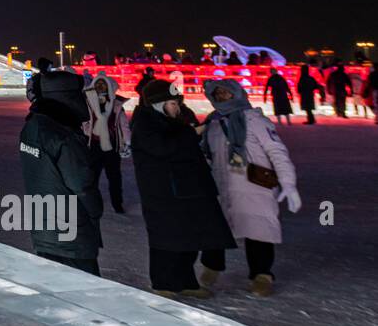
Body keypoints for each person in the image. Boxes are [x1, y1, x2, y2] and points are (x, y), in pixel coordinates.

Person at [130, 79, 235, 298]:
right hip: (164, 193)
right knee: (166, 240)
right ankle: (164, 283)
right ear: (158, 104)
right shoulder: (145, 123)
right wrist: (191, 133)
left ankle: (187, 281)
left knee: (189, 237)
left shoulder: (173, 121)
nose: (177, 108)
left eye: (177, 103)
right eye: (172, 103)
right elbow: (162, 148)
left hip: (186, 189)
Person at [200, 79, 302, 296]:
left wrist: (288, 183)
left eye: (226, 94)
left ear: (237, 94)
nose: (221, 98)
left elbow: (277, 151)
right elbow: (207, 154)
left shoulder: (254, 120)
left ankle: (261, 274)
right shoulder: (213, 122)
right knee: (215, 228)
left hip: (254, 187)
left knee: (258, 231)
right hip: (222, 186)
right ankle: (211, 267)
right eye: (217, 95)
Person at [18, 70, 102, 275]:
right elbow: (82, 184)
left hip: (43, 227)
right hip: (72, 231)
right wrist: (95, 210)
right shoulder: (62, 136)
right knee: (86, 295)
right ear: (67, 96)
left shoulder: (33, 126)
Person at [84, 71, 131, 214]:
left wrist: (127, 141)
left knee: (115, 177)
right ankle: (91, 202)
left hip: (111, 145)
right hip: (94, 145)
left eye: (103, 85)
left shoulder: (116, 104)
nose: (100, 87)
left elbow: (123, 124)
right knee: (92, 177)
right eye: (98, 84)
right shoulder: (88, 103)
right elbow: (84, 123)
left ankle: (117, 203)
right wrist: (85, 135)